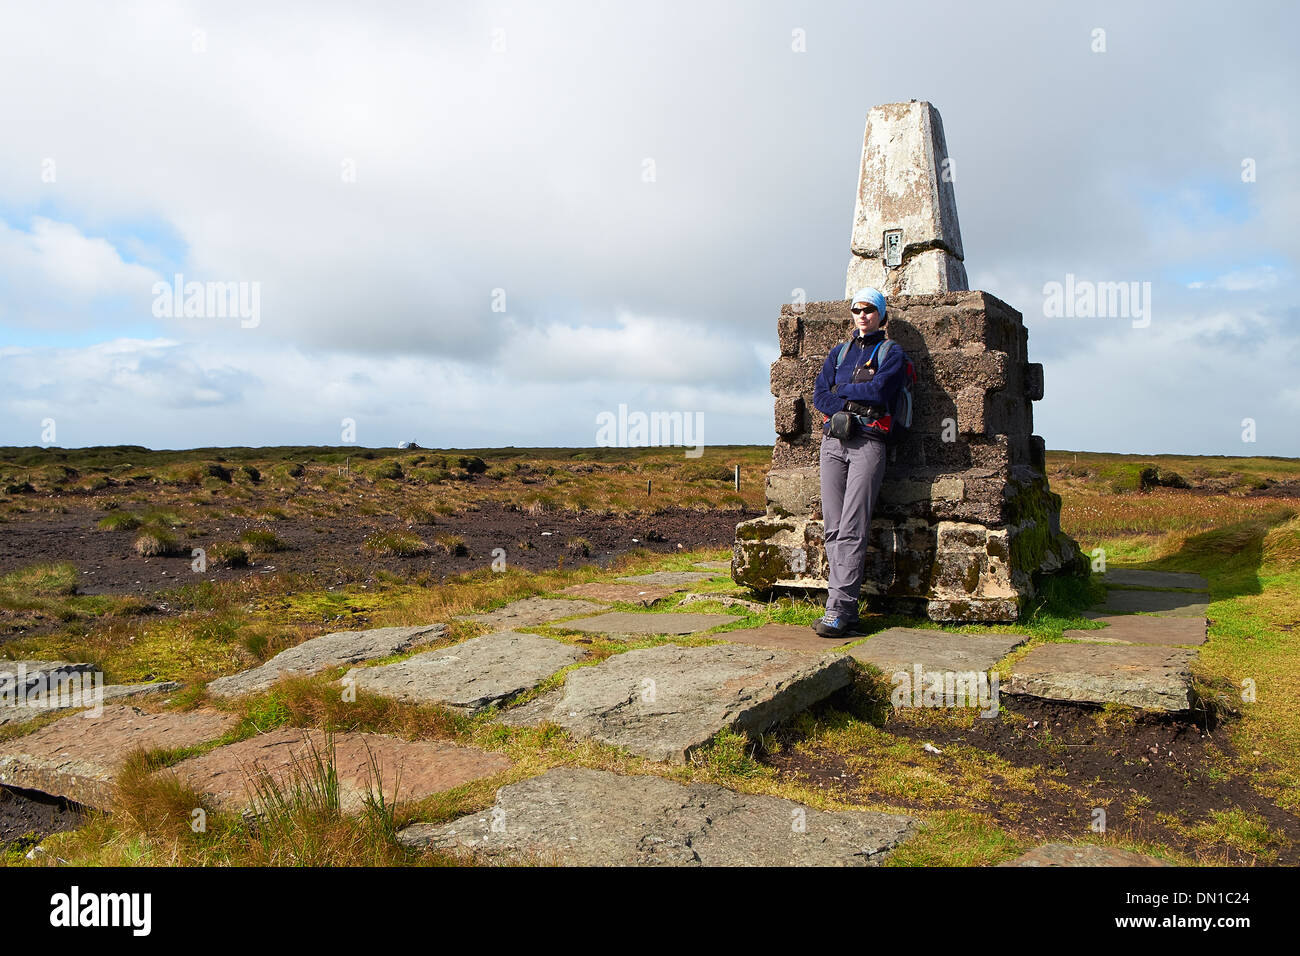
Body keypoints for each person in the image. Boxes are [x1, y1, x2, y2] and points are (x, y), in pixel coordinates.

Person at [810, 286, 907, 638]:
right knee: (833, 527)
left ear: (881, 314)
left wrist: (843, 393)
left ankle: (837, 609)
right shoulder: (839, 352)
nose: (862, 315)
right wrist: (846, 402)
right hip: (834, 443)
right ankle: (845, 608)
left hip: (868, 442)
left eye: (869, 309)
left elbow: (881, 392)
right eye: (857, 309)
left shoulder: (891, 352)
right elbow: (820, 394)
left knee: (853, 527)